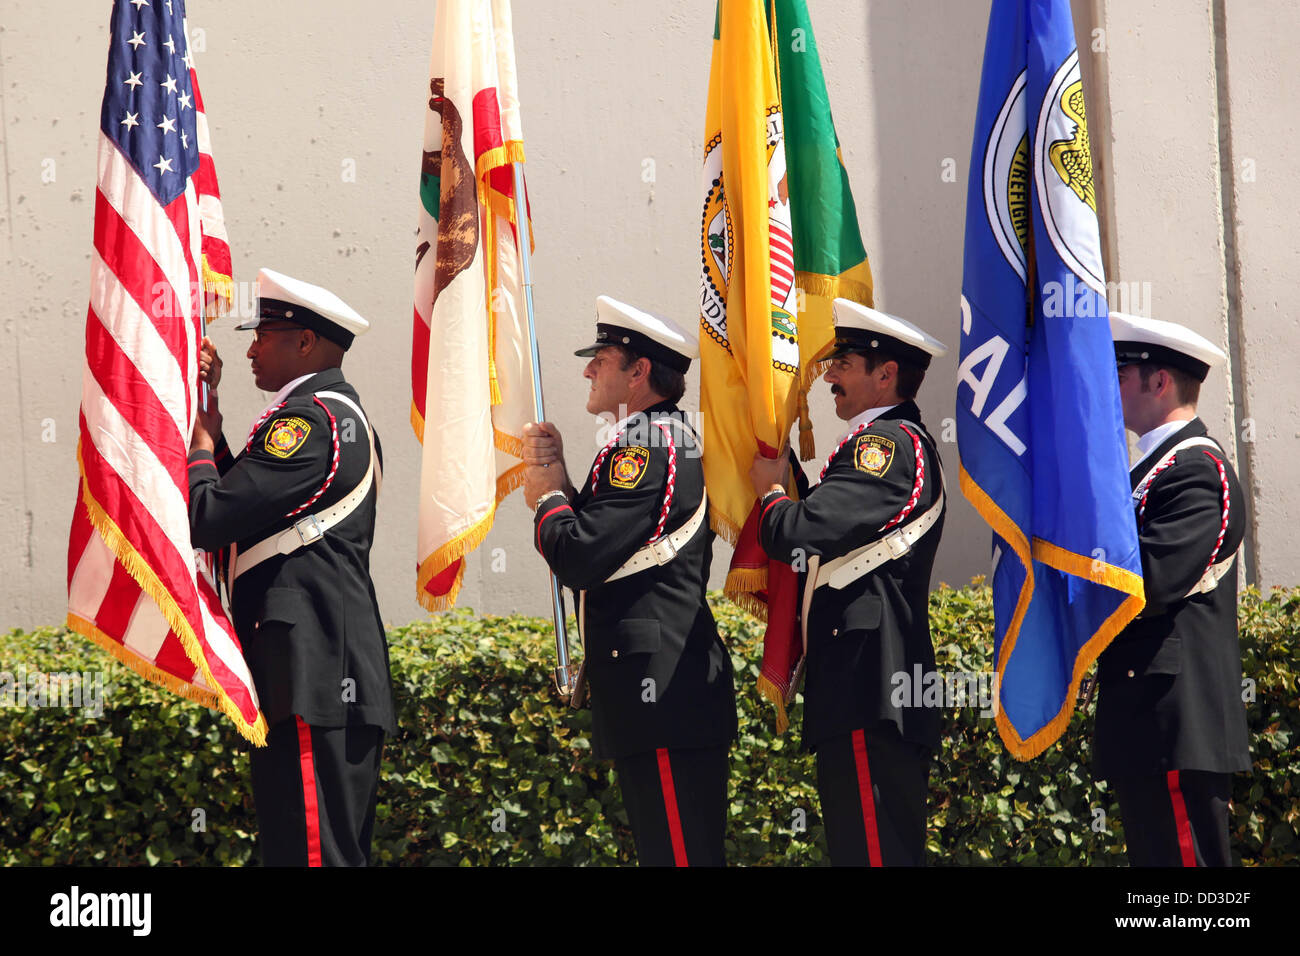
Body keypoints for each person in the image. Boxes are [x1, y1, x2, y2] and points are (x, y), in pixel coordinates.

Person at [188, 267, 394, 866]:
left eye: (263, 336)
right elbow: (255, 508)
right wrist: (214, 420)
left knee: (312, 856)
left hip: (313, 673)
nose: (249, 348)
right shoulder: (335, 418)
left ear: (305, 343)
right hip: (323, 674)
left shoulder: (307, 421)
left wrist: (201, 443)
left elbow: (211, 514)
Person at [522, 295, 737, 866]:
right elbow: (610, 543)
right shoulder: (652, 440)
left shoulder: (644, 446)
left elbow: (579, 554)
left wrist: (545, 496)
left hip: (662, 693)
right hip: (661, 693)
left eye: (602, 357)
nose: (589, 368)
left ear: (639, 371)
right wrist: (563, 480)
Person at [749, 299, 947, 866]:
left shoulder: (885, 446)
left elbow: (803, 530)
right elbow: (835, 523)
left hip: (869, 687)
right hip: (865, 685)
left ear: (886, 375)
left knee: (874, 852)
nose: (829, 375)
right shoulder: (874, 446)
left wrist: (770, 494)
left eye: (845, 363)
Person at [1094, 312, 1250, 867]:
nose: (1105, 388)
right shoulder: (1152, 469)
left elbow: (1154, 579)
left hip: (1175, 717)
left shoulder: (1195, 469)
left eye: (1117, 375)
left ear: (1158, 382)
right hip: (1150, 716)